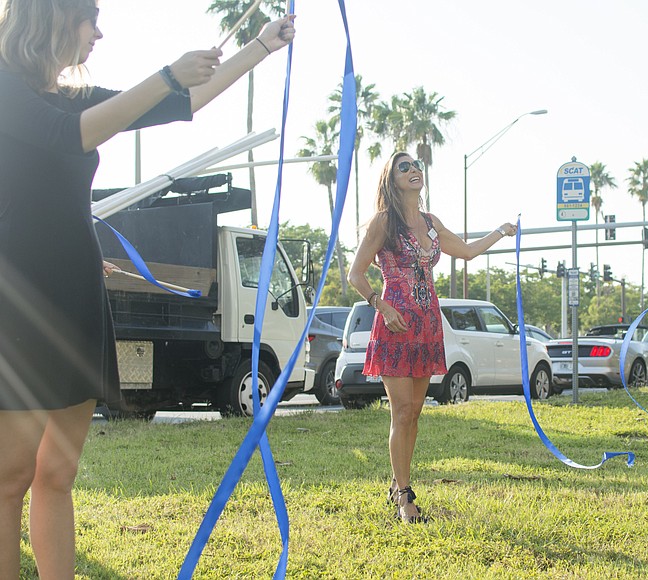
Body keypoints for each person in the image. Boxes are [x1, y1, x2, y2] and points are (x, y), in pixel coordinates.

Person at [0, 1, 295, 576]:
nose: (99, 33)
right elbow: (71, 136)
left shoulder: (68, 96)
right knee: (8, 479)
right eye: (91, 18)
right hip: (19, 303)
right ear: (53, 17)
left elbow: (179, 103)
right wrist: (164, 74)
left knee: (57, 474)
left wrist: (260, 46)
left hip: (76, 295)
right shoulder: (6, 88)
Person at [348, 152, 518, 523]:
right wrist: (381, 306)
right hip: (395, 324)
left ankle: (399, 484)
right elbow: (355, 274)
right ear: (392, 180)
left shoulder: (431, 222)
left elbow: (469, 252)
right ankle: (404, 497)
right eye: (403, 167)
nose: (413, 170)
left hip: (427, 324)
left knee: (416, 414)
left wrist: (500, 231)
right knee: (402, 410)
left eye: (416, 166)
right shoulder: (383, 223)